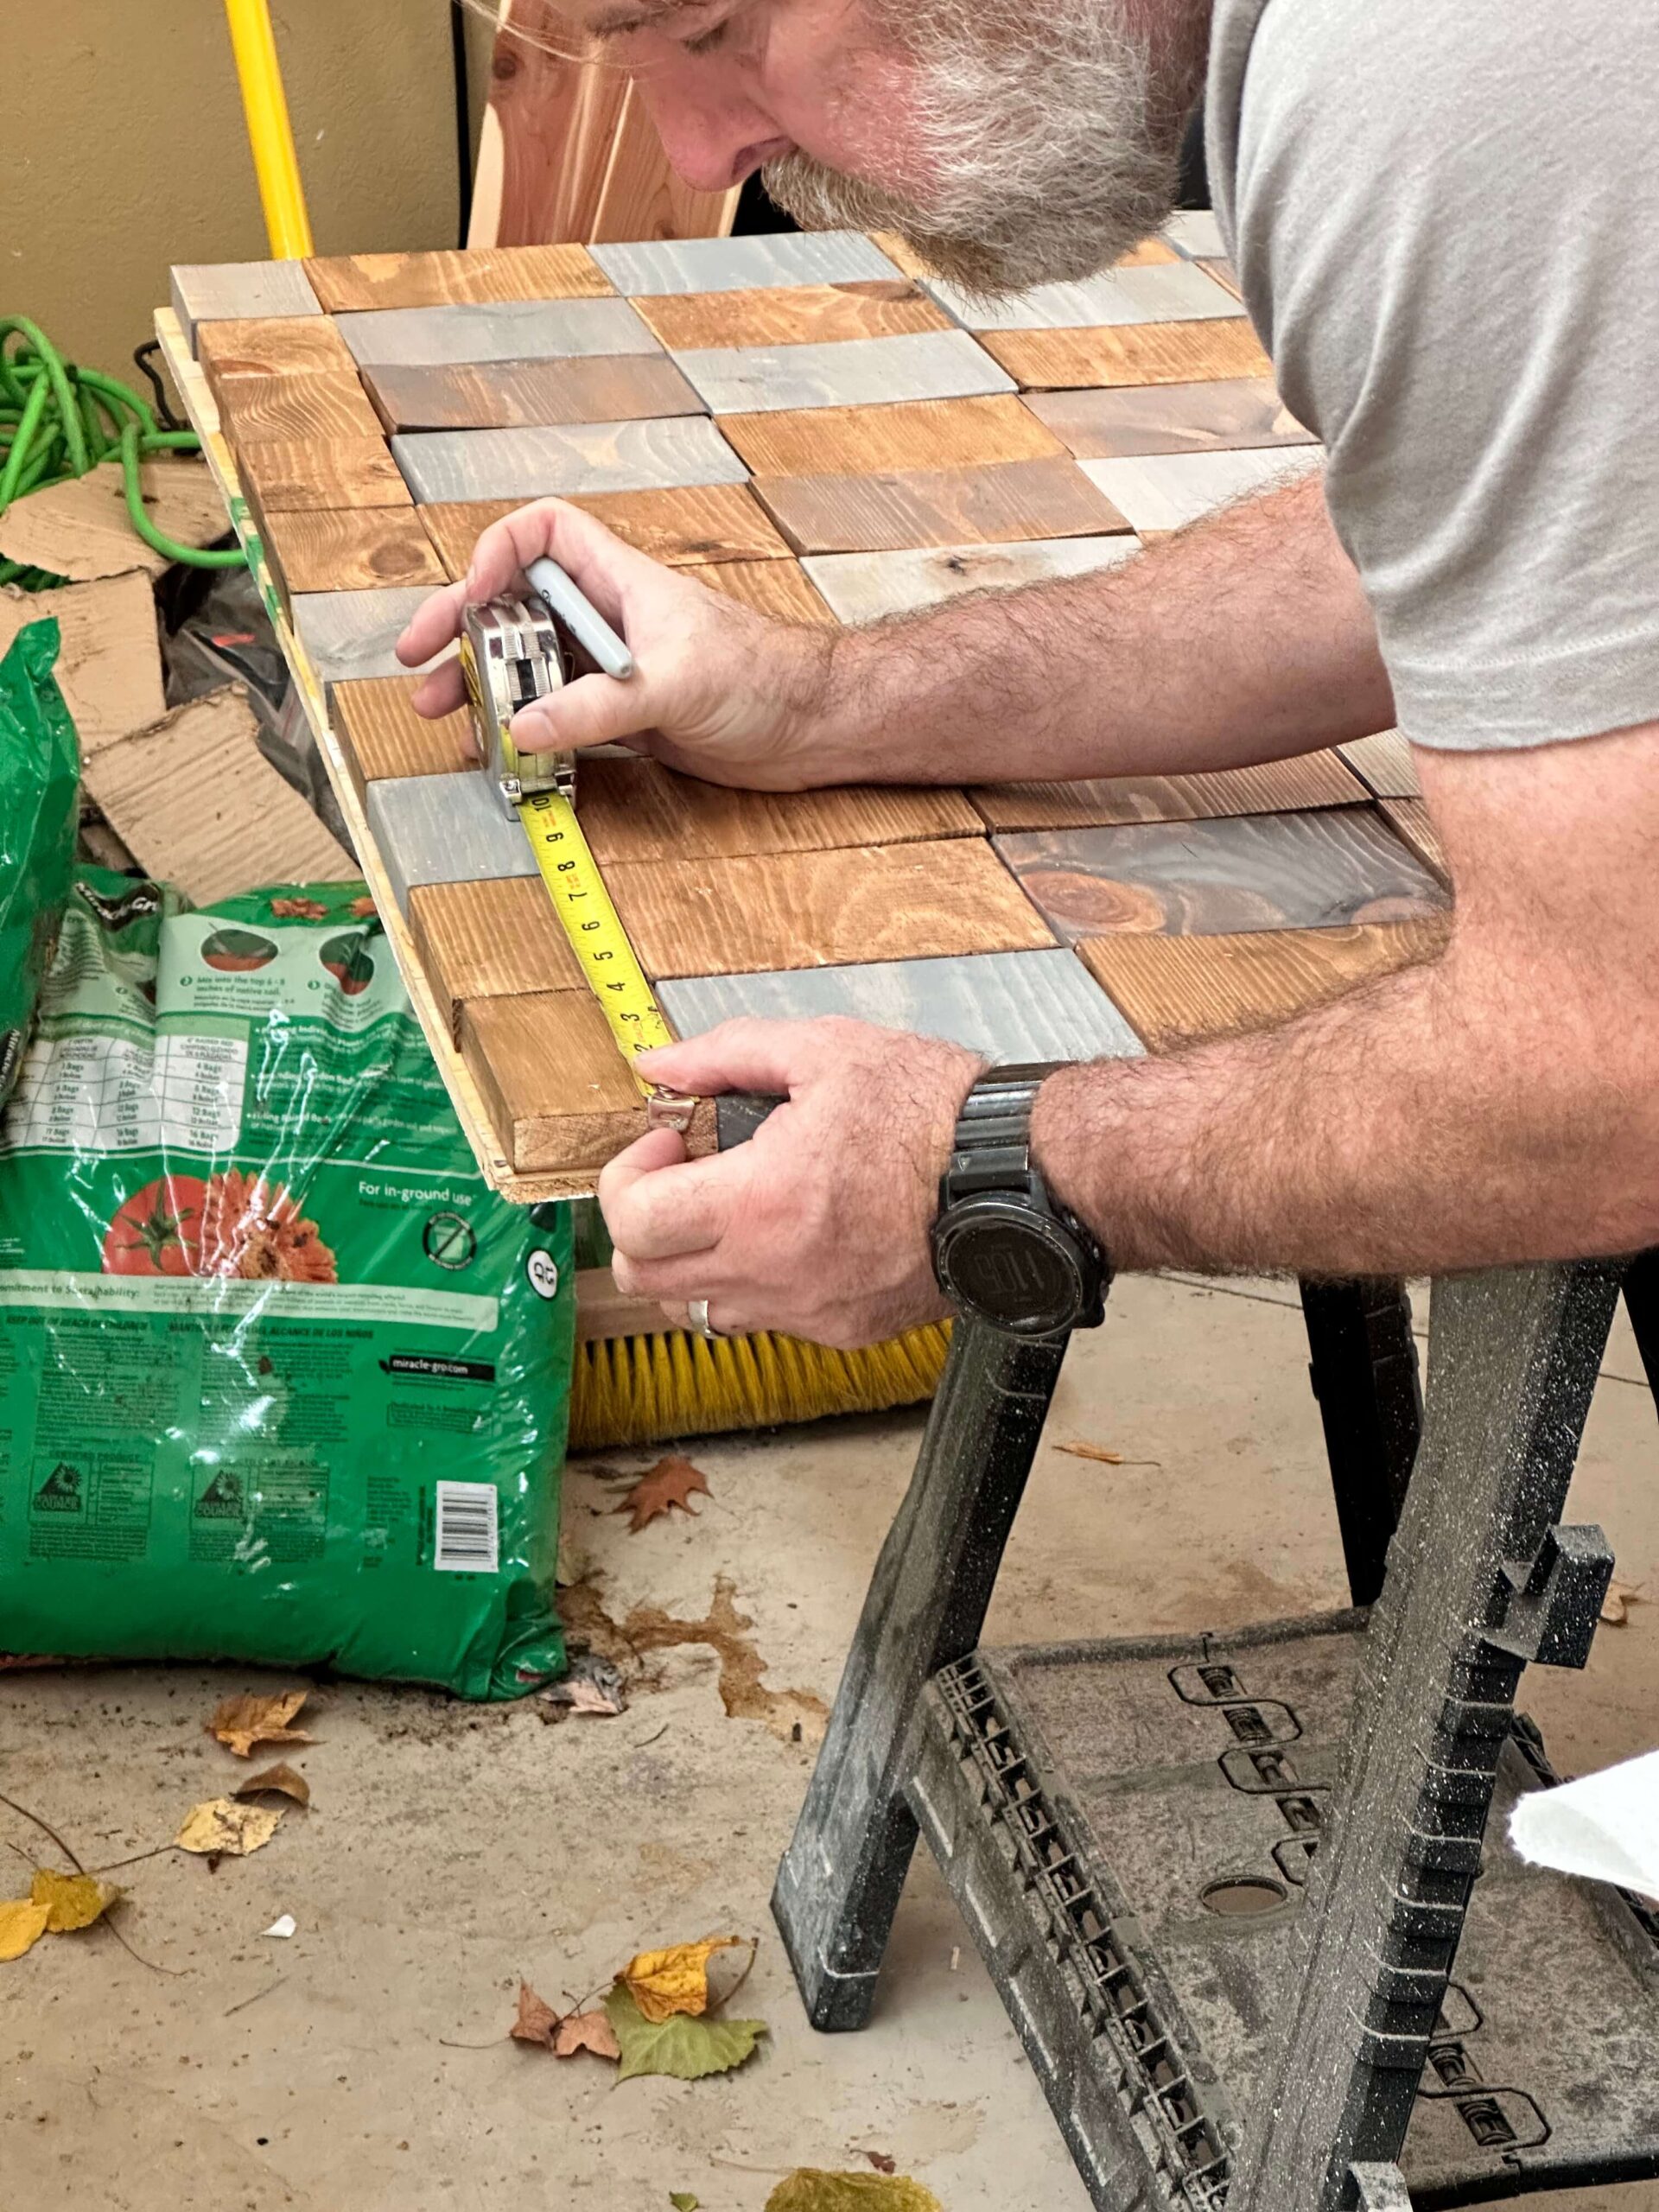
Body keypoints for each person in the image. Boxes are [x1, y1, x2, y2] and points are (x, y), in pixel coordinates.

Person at [400, 0, 1658, 1349]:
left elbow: (1613, 1069)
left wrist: (992, 1164)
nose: (697, 158)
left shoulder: (1430, 71)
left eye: (713, 34)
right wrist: (822, 700)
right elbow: (1452, 540)